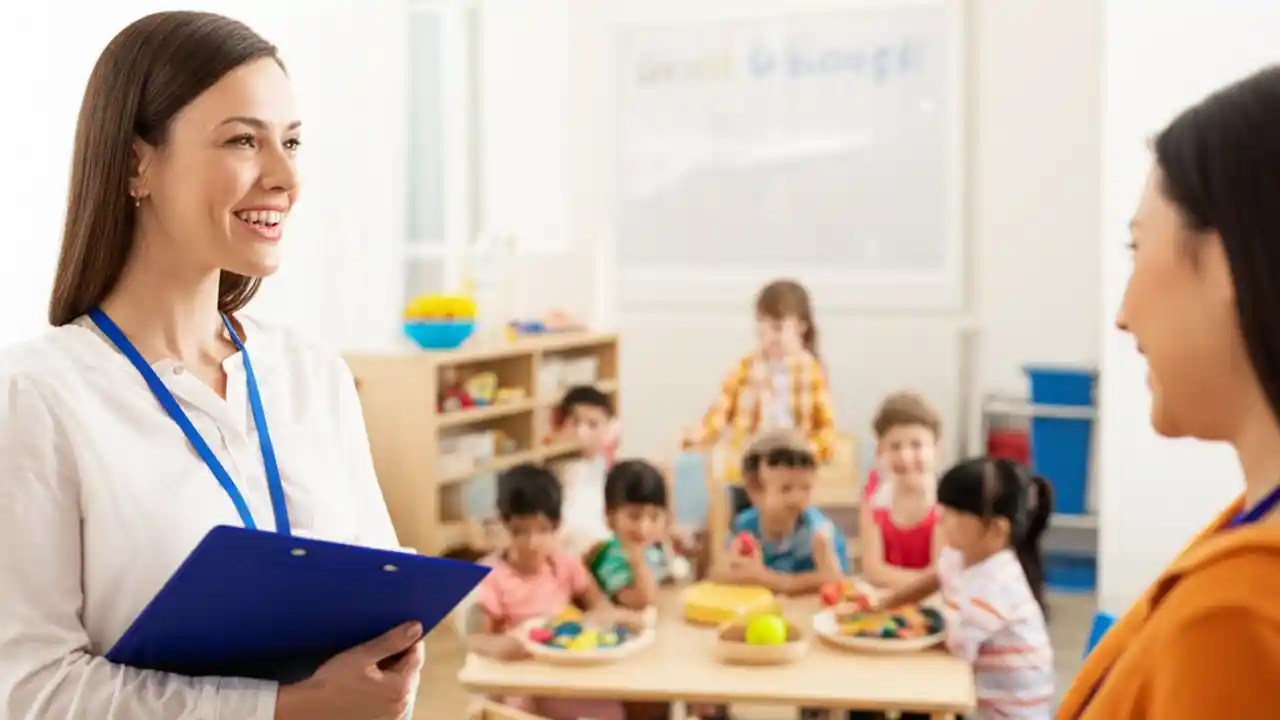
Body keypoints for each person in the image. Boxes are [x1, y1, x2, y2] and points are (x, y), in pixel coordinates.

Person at [0, 12, 421, 720]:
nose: (286, 176)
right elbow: (28, 690)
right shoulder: (38, 398)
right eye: (243, 141)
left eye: (291, 142)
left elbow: (391, 612)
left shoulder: (312, 373)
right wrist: (284, 709)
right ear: (138, 163)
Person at [1059, 67, 1280, 719]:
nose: (1123, 313)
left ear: (1225, 260)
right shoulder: (1250, 533)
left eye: (1138, 247)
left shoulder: (1240, 613)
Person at [864, 458, 1054, 720]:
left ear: (996, 529)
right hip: (980, 701)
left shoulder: (996, 585)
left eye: (956, 512)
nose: (942, 517)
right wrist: (885, 604)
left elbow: (954, 650)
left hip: (1006, 715)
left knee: (910, 698)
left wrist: (899, 631)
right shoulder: (961, 554)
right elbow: (934, 578)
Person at [468, 464, 629, 720]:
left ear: (557, 526)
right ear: (504, 524)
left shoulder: (563, 563)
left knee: (612, 712)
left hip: (566, 674)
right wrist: (499, 646)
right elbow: (476, 639)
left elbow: (599, 604)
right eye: (520, 531)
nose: (532, 543)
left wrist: (599, 619)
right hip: (521, 683)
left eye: (542, 530)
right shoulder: (491, 576)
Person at [683, 279, 837, 463]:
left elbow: (827, 430)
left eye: (777, 328)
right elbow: (719, 415)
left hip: (791, 468)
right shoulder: (746, 367)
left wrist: (804, 452)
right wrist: (693, 437)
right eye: (762, 328)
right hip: (748, 466)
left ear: (802, 327)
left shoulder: (811, 371)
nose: (769, 337)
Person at [712, 430, 850, 595]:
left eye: (806, 488)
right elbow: (717, 574)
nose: (797, 497)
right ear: (755, 492)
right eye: (786, 489)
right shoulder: (744, 526)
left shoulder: (818, 530)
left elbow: (836, 581)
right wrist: (736, 567)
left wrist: (764, 578)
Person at [859, 392, 944, 591]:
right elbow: (873, 570)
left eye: (916, 445)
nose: (905, 456)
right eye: (895, 447)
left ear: (936, 449)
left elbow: (939, 575)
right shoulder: (874, 498)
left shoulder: (945, 501)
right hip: (886, 600)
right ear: (880, 451)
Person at [587, 459, 675, 610]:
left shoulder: (654, 547)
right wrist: (637, 561)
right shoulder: (610, 558)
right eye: (634, 516)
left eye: (654, 517)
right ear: (610, 517)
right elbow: (642, 601)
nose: (643, 528)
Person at [553, 385, 617, 555]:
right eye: (574, 423)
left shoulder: (607, 466)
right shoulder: (556, 469)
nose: (581, 433)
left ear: (608, 428)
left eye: (592, 424)